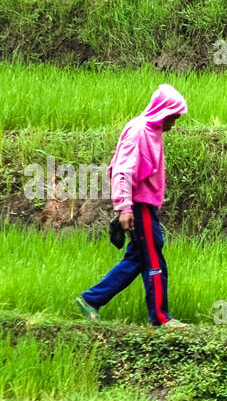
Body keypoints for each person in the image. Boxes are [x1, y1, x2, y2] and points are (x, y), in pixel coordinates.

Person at [76, 83, 189, 328]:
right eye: (172, 117)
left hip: (145, 205)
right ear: (162, 112)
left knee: (139, 257)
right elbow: (122, 172)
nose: (173, 123)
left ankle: (91, 299)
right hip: (139, 206)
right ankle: (160, 318)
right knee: (154, 259)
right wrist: (125, 208)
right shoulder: (139, 132)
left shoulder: (152, 132)